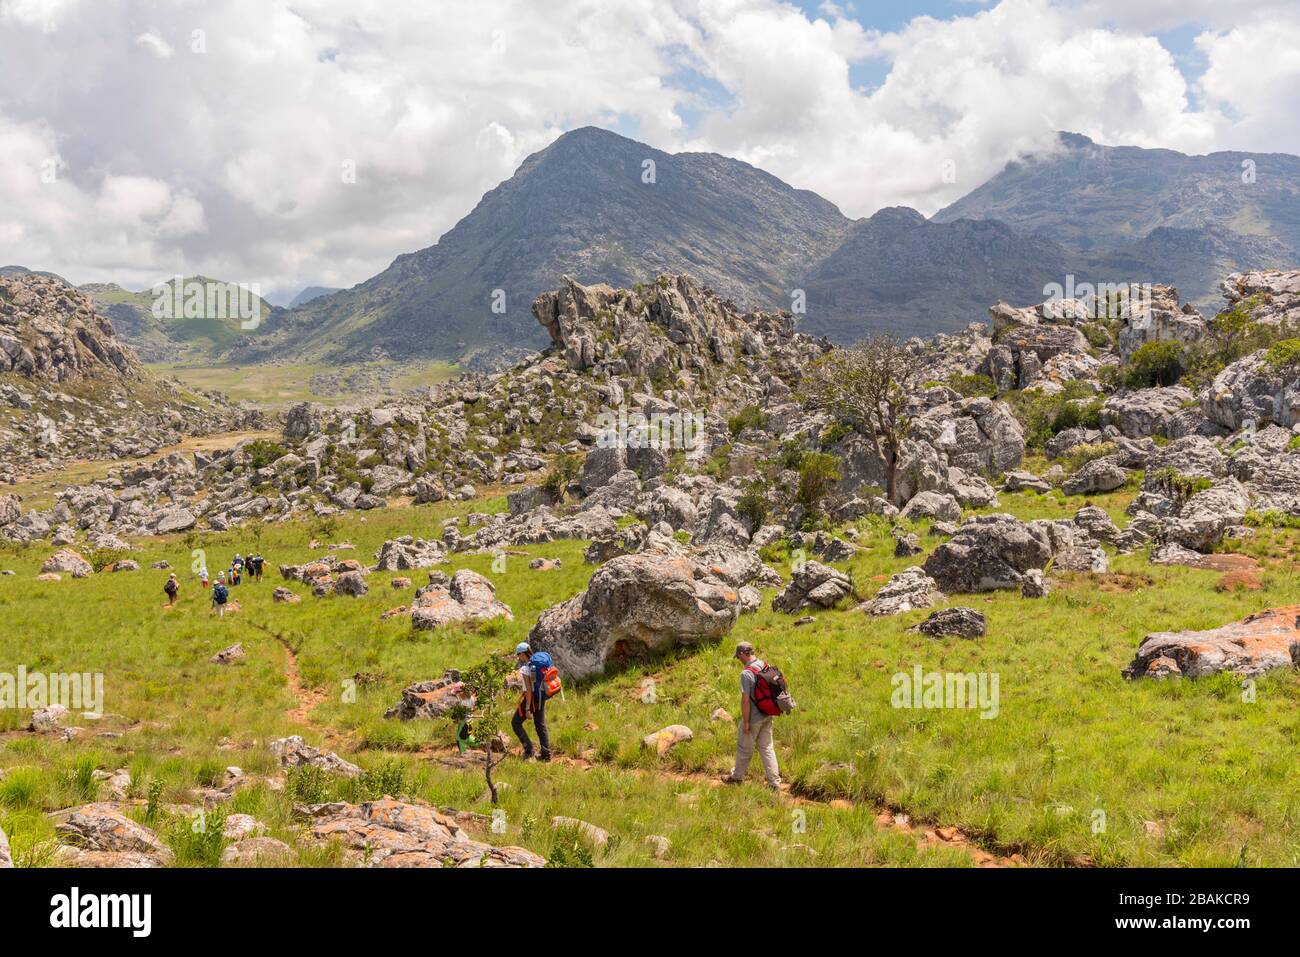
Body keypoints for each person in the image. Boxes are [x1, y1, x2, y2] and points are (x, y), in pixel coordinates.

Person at [722, 641, 781, 788]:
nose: (739, 660)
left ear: (742, 654)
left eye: (738, 656)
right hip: (767, 714)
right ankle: (774, 783)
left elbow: (745, 701)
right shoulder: (763, 664)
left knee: (744, 748)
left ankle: (736, 778)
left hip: (753, 718)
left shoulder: (746, 673)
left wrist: (746, 722)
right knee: (767, 748)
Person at [510, 642, 551, 762]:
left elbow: (528, 690)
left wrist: (527, 709)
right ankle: (546, 755)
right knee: (540, 725)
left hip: (531, 699)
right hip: (540, 697)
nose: (519, 657)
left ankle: (529, 750)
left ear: (523, 653)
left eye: (519, 654)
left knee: (515, 723)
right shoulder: (536, 664)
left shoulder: (525, 668)